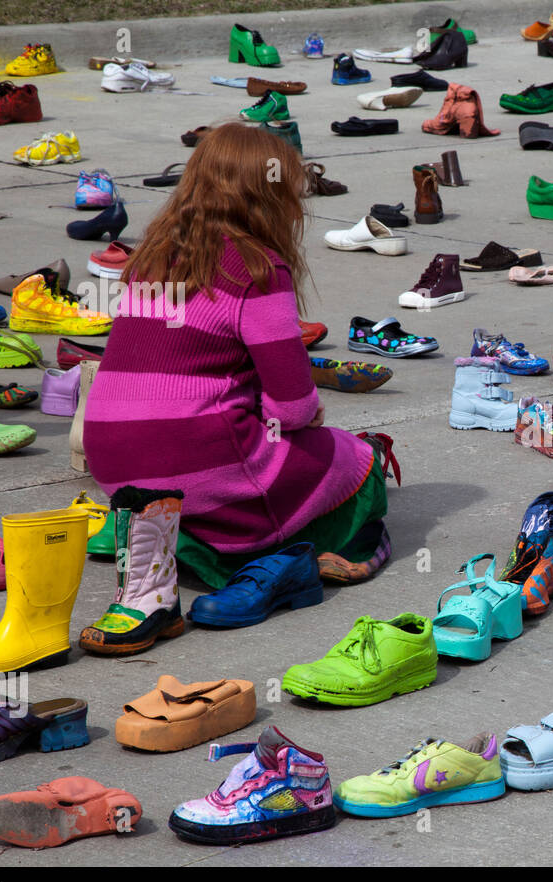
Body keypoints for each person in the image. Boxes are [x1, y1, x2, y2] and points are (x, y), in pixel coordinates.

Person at [83, 123, 390, 589]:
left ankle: (172, 535)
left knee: (221, 464)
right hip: (198, 455)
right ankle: (325, 547)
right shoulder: (256, 267)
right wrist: (305, 416)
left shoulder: (150, 257)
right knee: (357, 460)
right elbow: (292, 408)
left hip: (112, 461)